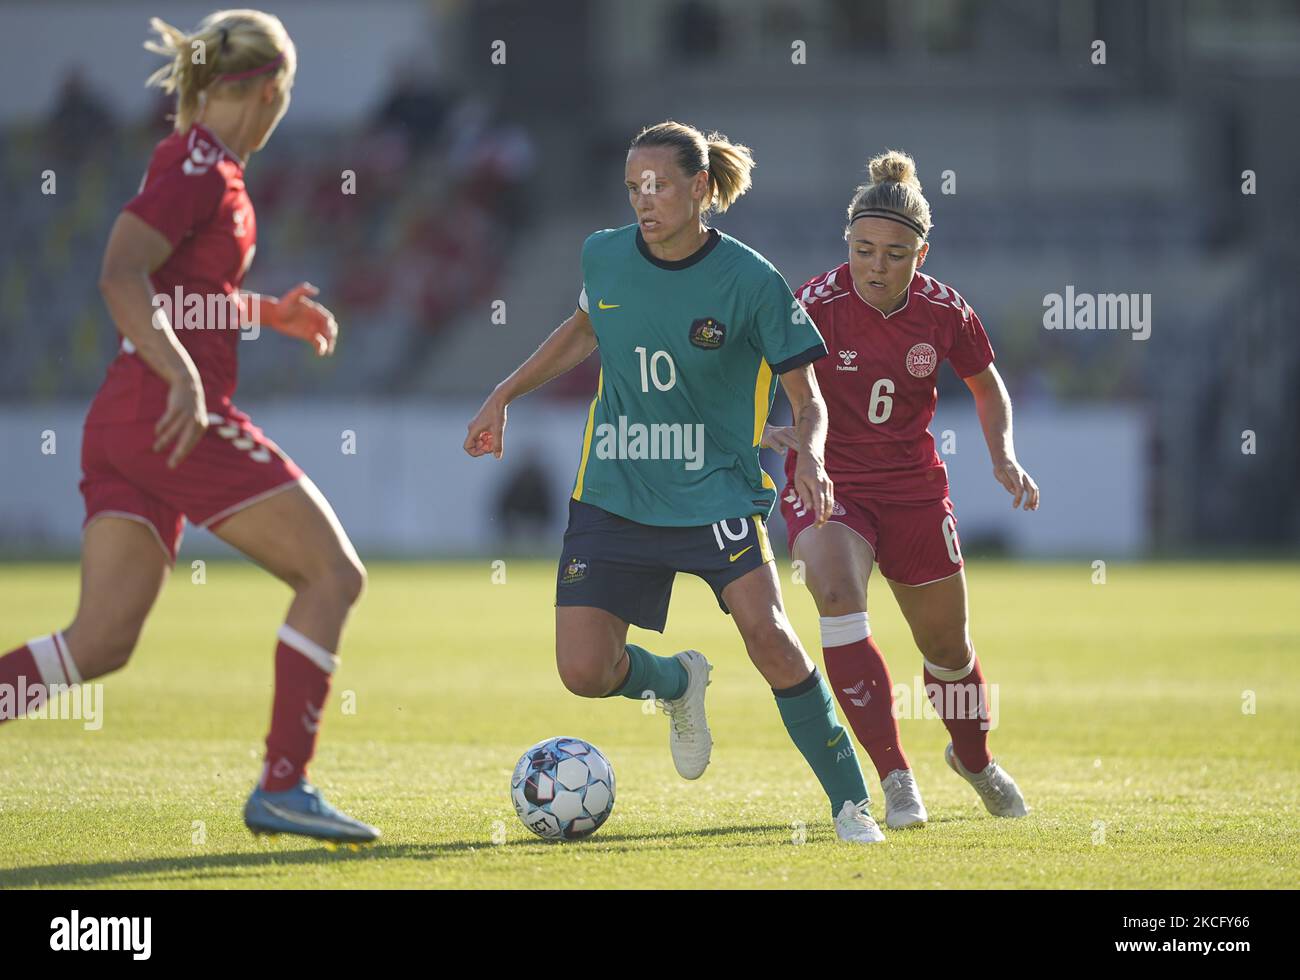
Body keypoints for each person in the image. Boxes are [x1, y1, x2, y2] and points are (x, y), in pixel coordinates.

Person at [0, 11, 378, 845]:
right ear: (271, 89)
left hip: (128, 420)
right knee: (333, 576)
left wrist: (262, 313)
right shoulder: (197, 167)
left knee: (97, 643)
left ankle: (285, 786)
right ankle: (285, 785)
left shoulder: (205, 166)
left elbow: (172, 287)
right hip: (171, 415)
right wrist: (180, 375)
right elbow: (119, 271)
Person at [466, 120, 886, 842]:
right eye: (634, 187)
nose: (644, 199)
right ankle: (676, 682)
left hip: (716, 493)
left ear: (699, 189)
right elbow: (586, 326)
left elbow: (807, 398)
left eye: (658, 185)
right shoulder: (603, 255)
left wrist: (811, 454)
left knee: (773, 639)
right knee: (584, 670)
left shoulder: (752, 281)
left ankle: (850, 802)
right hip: (614, 491)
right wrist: (505, 392)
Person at [766, 150, 1037, 828]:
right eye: (863, 249)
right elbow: (756, 374)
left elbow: (987, 385)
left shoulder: (945, 311)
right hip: (827, 477)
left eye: (893, 253)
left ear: (921, 254)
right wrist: (767, 432)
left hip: (914, 487)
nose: (875, 265)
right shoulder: (814, 305)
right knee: (835, 592)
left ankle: (974, 761)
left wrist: (1002, 457)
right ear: (847, 243)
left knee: (947, 647)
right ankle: (893, 776)